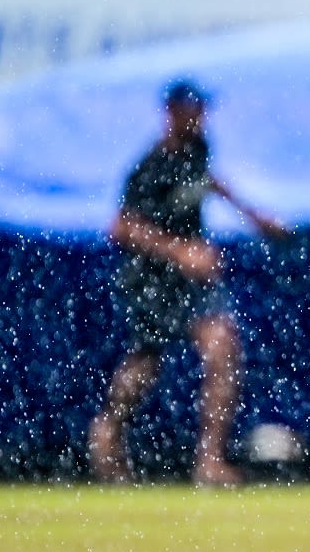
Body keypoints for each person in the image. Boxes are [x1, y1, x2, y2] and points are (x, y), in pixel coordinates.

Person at [88, 78, 286, 487]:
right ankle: (107, 430)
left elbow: (207, 182)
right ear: (173, 112)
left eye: (202, 109)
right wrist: (180, 251)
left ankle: (209, 460)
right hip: (152, 277)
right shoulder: (151, 166)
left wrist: (254, 215)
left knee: (222, 347)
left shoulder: (198, 150)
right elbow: (121, 227)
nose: (200, 117)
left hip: (194, 277)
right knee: (145, 363)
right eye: (192, 109)